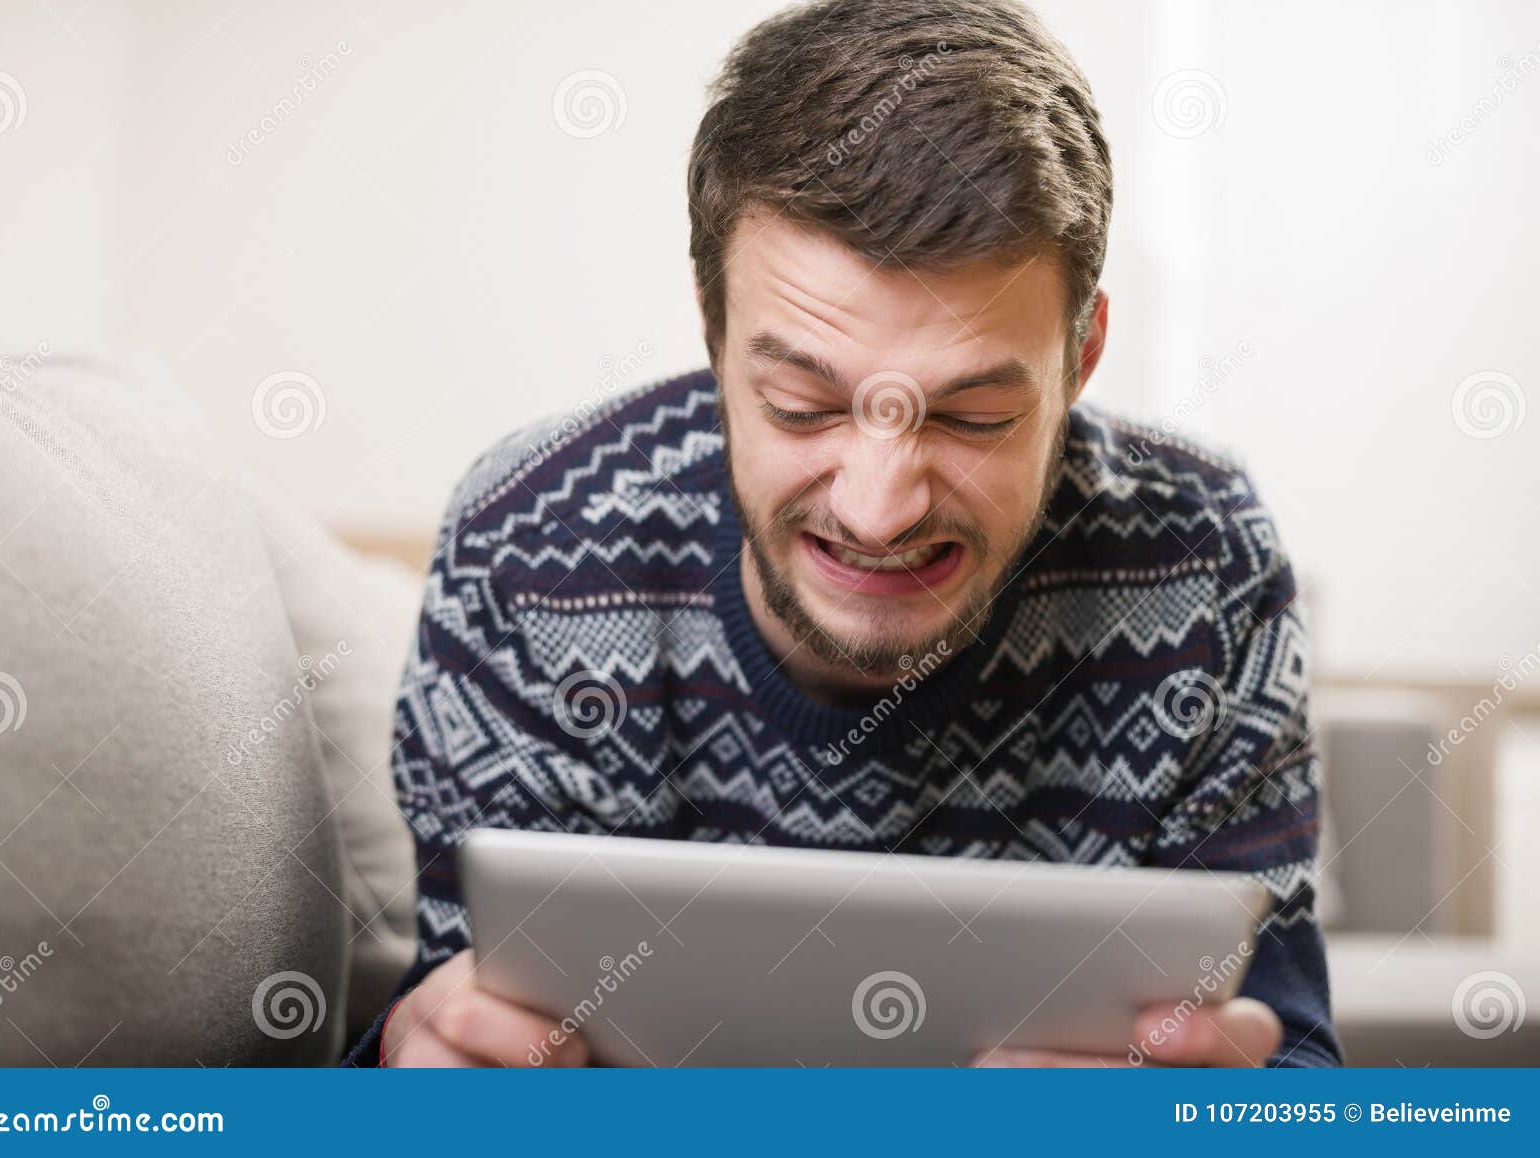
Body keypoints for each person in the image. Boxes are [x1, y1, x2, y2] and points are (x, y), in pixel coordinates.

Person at [346, 0, 1339, 1067]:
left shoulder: (1205, 560)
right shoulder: (528, 550)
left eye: (972, 417)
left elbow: (1292, 1072)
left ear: (1081, 355)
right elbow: (453, 1050)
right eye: (802, 405)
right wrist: (410, 1062)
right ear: (713, 332)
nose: (878, 511)